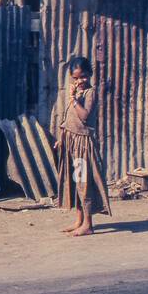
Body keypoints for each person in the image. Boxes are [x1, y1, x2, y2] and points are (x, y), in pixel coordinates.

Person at [54, 57, 111, 236]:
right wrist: (61, 138)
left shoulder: (90, 93)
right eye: (76, 78)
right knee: (74, 183)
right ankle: (78, 220)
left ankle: (88, 224)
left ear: (90, 74)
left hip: (82, 145)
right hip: (70, 142)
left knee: (83, 183)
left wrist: (74, 99)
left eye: (83, 77)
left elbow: (84, 117)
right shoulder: (76, 95)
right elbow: (68, 119)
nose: (80, 81)